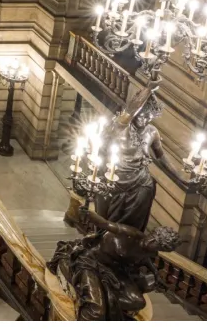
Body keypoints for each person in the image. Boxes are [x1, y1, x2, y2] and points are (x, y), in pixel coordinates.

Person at [50, 209, 180, 321]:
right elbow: (105, 224)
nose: (154, 249)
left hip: (115, 271)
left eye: (161, 248)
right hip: (89, 263)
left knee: (138, 302)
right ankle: (98, 301)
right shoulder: (130, 234)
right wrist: (89, 214)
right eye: (157, 244)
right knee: (96, 311)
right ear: (153, 237)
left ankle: (107, 298)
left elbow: (145, 260)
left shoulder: (150, 251)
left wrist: (156, 274)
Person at [96, 86, 164, 231]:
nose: (144, 120)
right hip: (114, 180)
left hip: (141, 183)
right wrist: (149, 86)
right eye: (141, 116)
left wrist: (183, 178)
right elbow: (129, 111)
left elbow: (162, 157)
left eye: (149, 117)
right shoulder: (121, 127)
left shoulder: (152, 132)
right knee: (105, 224)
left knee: (134, 225)